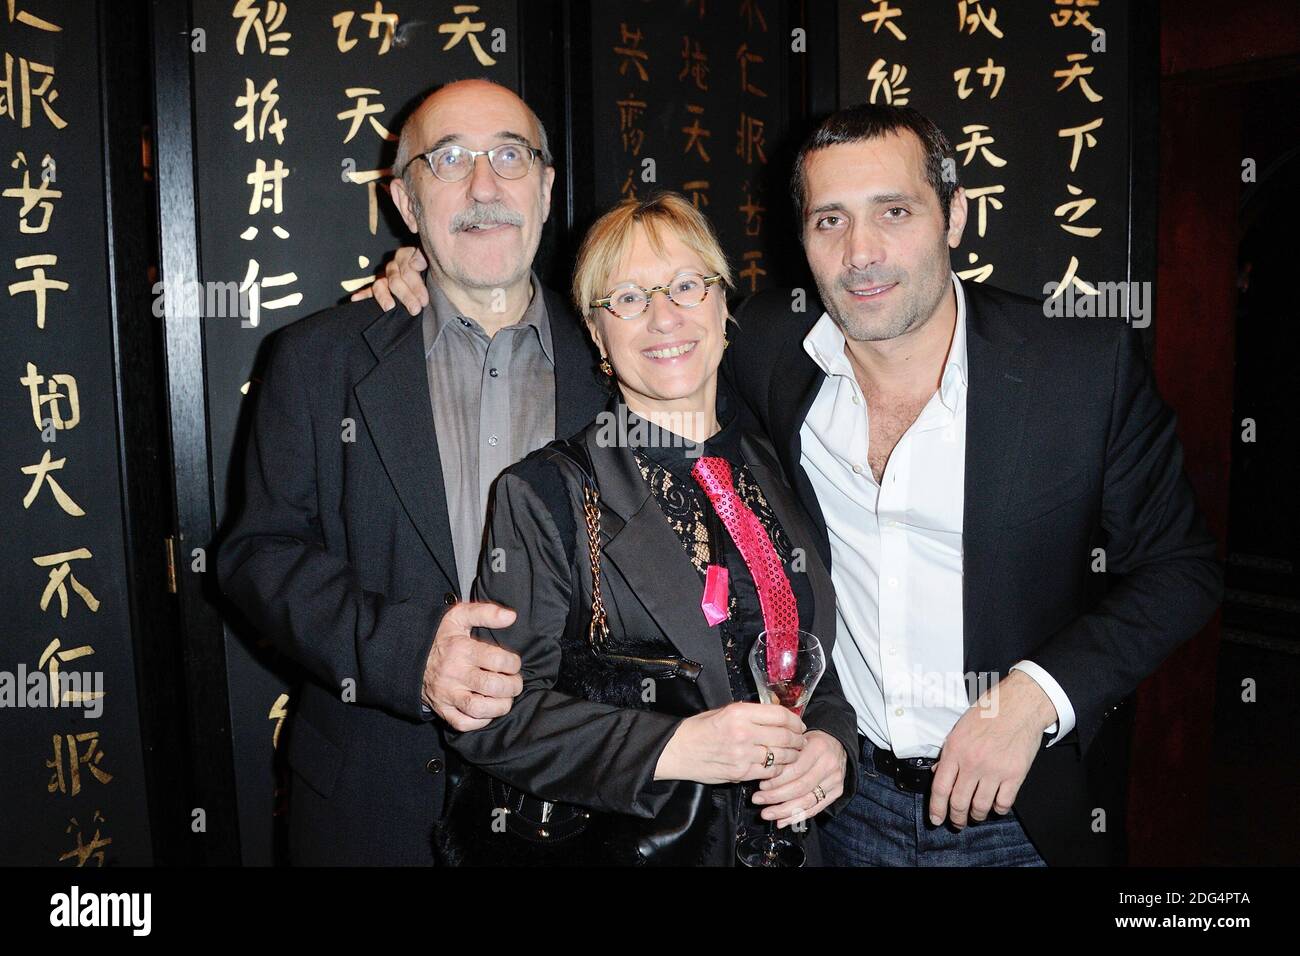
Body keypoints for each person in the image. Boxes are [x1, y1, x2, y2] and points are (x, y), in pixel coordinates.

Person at [366, 103, 1223, 867]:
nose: (862, 253)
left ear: (956, 214)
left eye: (895, 211)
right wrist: (428, 280)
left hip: (1008, 812)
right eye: (829, 221)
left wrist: (1037, 695)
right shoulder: (770, 365)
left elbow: (1181, 569)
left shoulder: (1078, 366)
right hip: (833, 827)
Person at [217, 79, 608, 864]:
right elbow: (257, 556)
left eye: (510, 155)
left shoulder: (620, 359)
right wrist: (408, 653)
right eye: (449, 160)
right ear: (405, 197)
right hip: (375, 805)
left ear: (547, 185)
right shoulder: (316, 359)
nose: (484, 186)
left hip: (583, 803)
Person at [436, 192, 857, 865]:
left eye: (688, 286)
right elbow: (494, 718)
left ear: (723, 307)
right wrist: (673, 747)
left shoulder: (775, 462)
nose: (666, 317)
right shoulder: (545, 491)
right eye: (629, 298)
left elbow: (813, 661)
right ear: (598, 335)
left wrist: (833, 742)